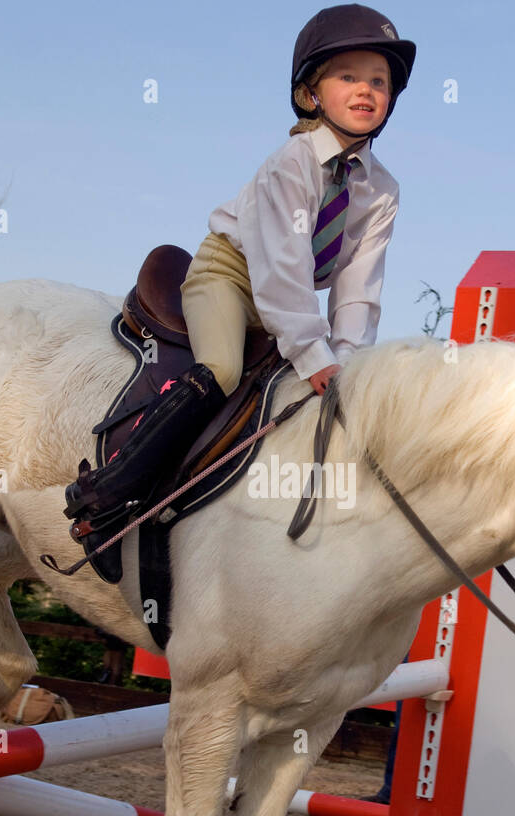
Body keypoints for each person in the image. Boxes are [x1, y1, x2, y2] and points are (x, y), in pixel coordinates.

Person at [64, 5, 416, 559]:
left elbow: (358, 284)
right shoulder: (293, 162)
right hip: (230, 275)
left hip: (291, 300)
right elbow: (278, 266)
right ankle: (109, 490)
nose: (367, 90)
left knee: (311, 394)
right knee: (224, 370)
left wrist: (348, 362)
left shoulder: (383, 190)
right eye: (348, 76)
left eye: (380, 81)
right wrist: (312, 350)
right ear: (310, 94)